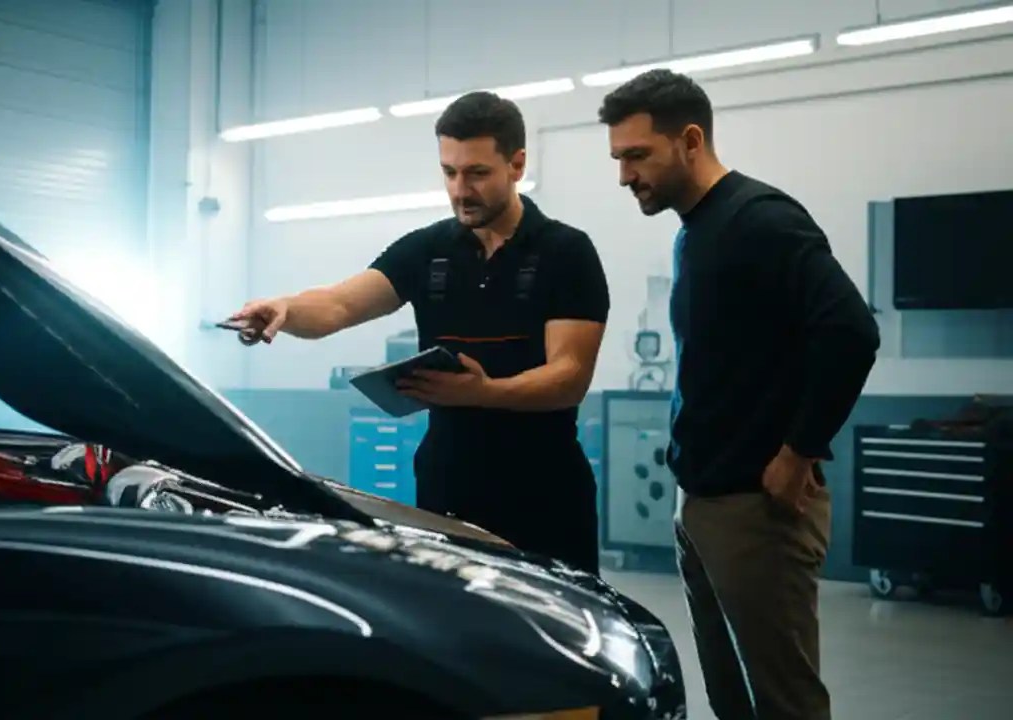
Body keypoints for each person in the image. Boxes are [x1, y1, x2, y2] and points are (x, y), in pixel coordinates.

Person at [597, 68, 880, 720]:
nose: (624, 176)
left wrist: (800, 450)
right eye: (618, 158)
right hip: (703, 503)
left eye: (637, 156)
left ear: (690, 140)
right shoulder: (694, 232)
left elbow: (850, 330)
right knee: (731, 700)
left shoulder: (761, 220)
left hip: (757, 512)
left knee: (784, 703)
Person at [230, 91, 610, 574]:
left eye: (477, 173)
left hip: (544, 493)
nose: (460, 190)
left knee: (556, 641)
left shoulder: (566, 253)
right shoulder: (428, 251)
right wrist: (284, 308)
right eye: (449, 172)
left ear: (516, 165)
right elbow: (339, 304)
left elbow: (569, 375)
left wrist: (483, 392)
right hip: (448, 489)